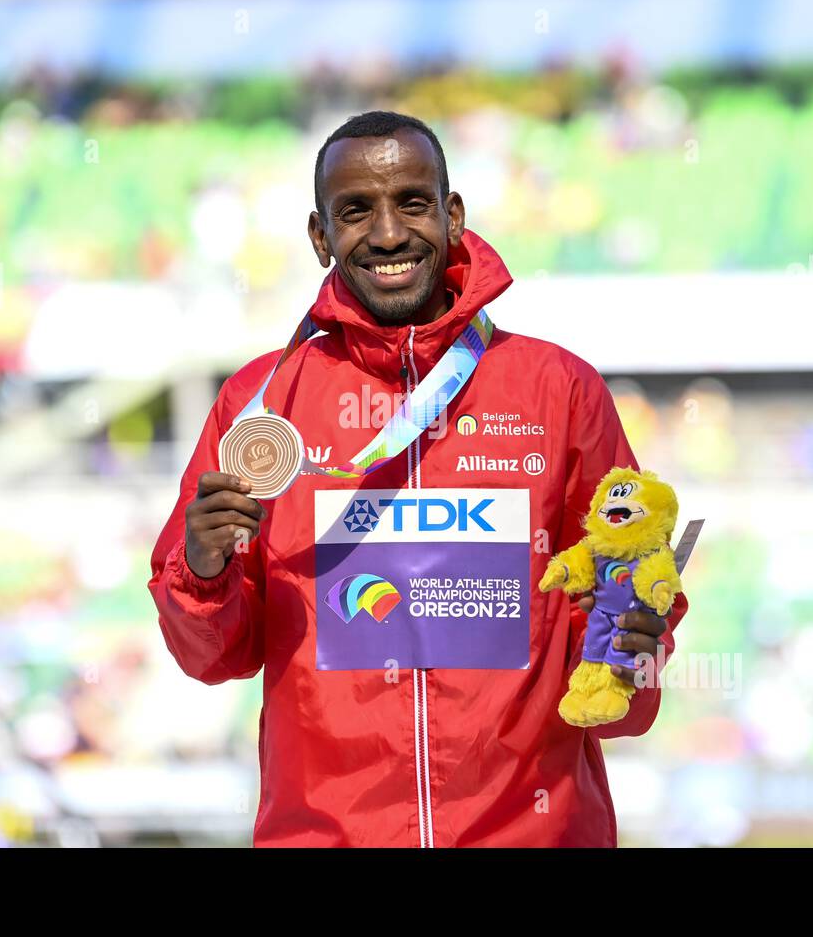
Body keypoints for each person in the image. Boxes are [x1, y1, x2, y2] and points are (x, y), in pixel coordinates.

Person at [148, 110, 689, 847]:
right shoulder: (260, 405)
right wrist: (203, 569)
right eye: (355, 211)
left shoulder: (558, 390)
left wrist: (633, 649)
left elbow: (625, 645)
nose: (389, 234)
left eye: (411, 202)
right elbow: (210, 657)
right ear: (319, 236)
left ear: (452, 213)